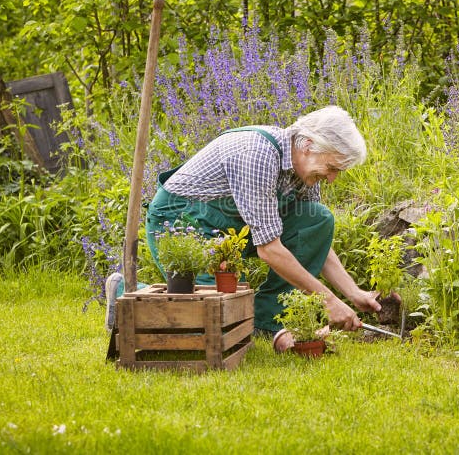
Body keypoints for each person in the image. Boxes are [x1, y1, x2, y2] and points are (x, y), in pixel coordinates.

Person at [145, 105, 381, 348]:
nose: (332, 178)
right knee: (214, 318)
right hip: (184, 224)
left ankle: (266, 323)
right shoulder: (258, 154)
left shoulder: (305, 173)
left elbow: (313, 238)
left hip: (233, 230)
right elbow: (269, 249)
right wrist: (328, 301)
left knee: (317, 218)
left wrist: (353, 293)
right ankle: (127, 291)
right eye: (332, 168)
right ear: (308, 145)